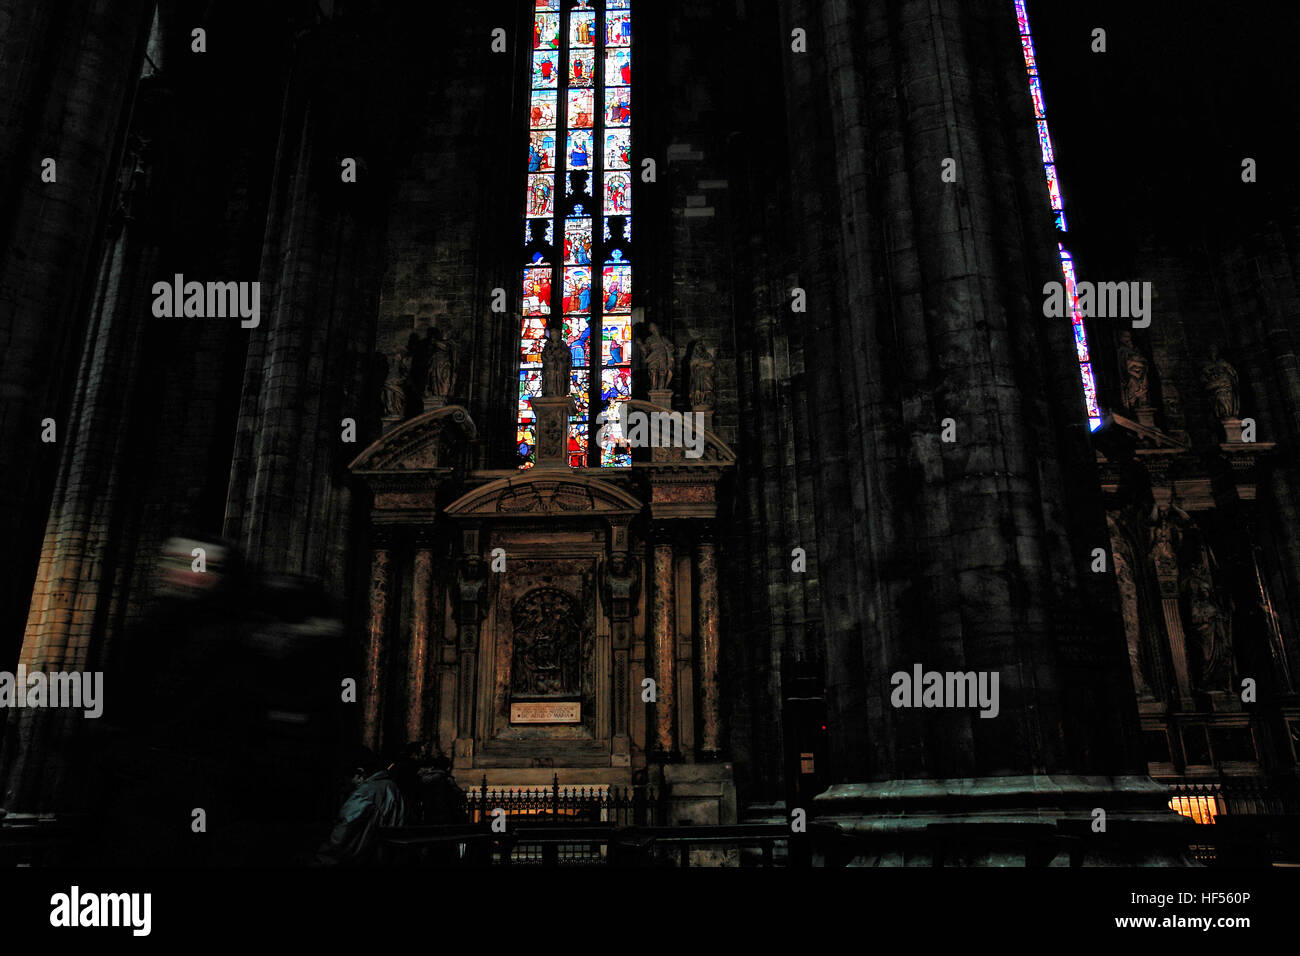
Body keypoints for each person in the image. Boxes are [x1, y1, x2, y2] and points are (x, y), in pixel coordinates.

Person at [316, 751, 408, 866]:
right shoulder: (392, 787)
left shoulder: (365, 792)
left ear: (360, 774)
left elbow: (343, 830)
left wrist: (321, 859)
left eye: (346, 780)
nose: (347, 787)